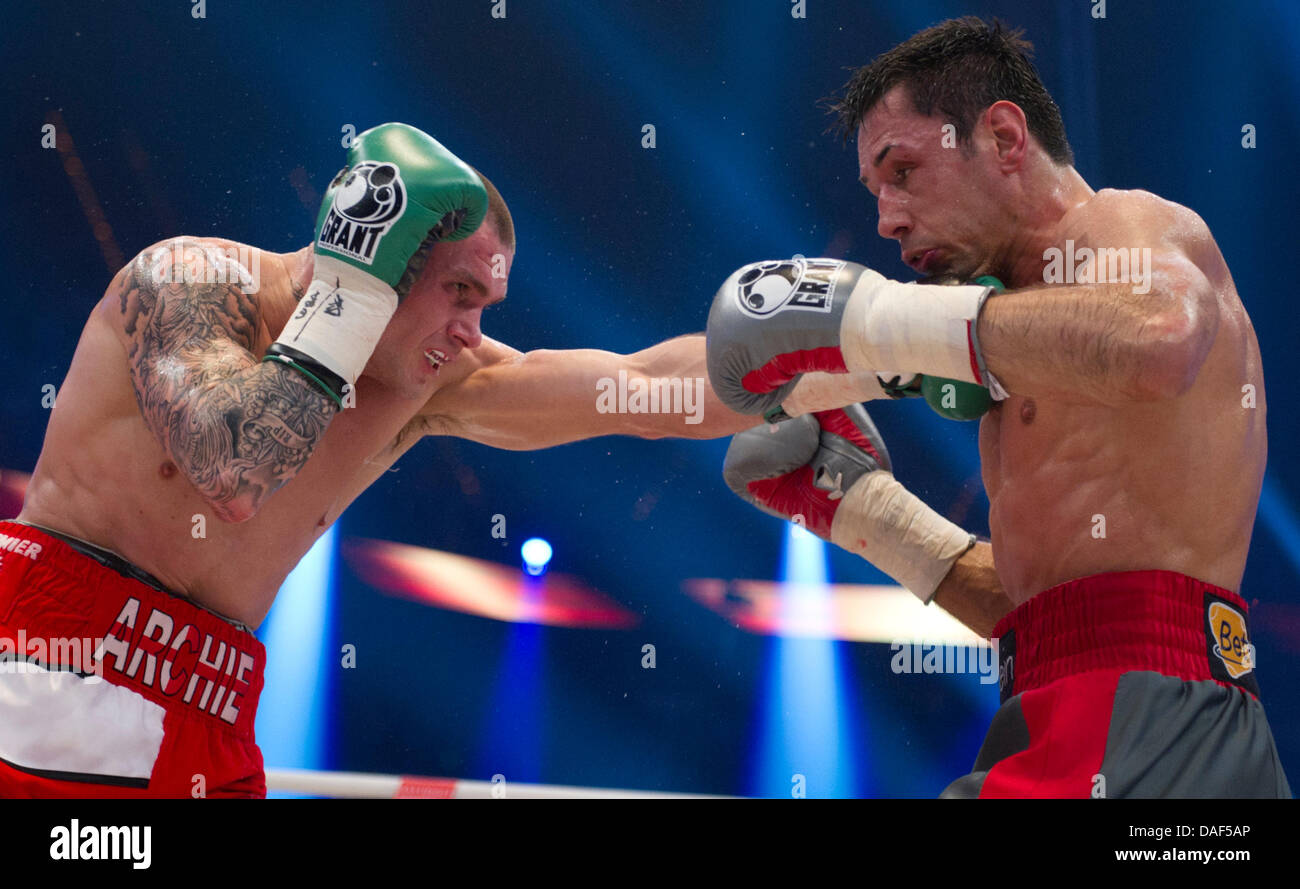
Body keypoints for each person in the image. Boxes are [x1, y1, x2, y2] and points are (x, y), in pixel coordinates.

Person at [1, 122, 774, 798]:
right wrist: (351, 296)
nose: (470, 330)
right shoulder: (190, 282)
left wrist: (864, 344)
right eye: (459, 291)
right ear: (372, 256)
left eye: (483, 307)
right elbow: (235, 472)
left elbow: (644, 390)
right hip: (56, 661)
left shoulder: (424, 380)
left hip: (215, 705)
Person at [707, 17, 1291, 798]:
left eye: (903, 171)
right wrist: (872, 515)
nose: (887, 218)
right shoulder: (1003, 346)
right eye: (875, 192)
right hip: (1096, 714)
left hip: (1143, 719)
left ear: (1005, 136)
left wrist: (886, 322)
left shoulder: (1116, 227)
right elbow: (1049, 615)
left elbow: (1164, 338)